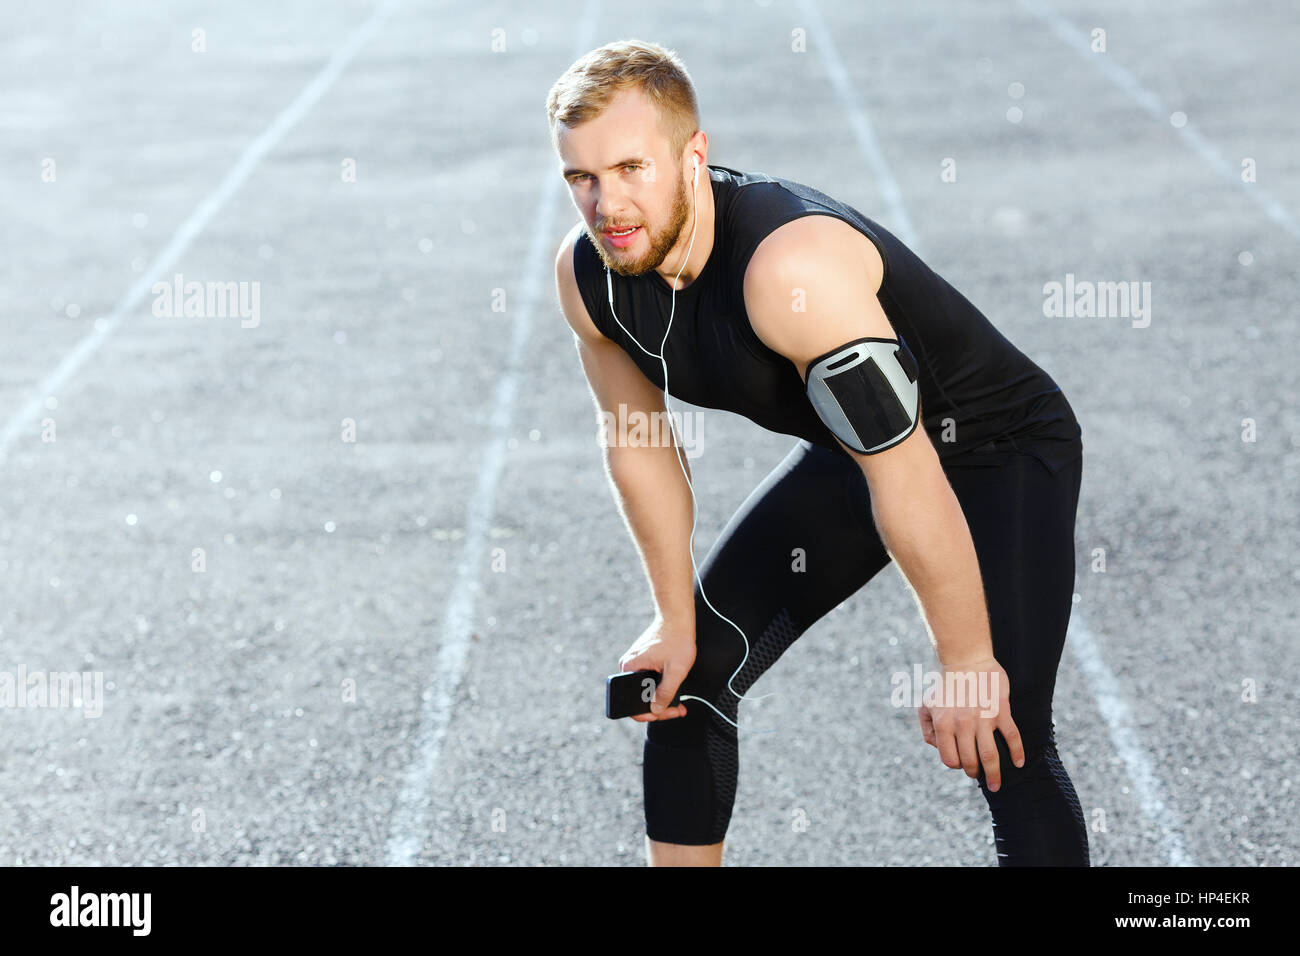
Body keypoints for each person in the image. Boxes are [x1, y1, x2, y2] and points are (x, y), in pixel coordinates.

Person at [547, 39, 1089, 867]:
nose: (607, 204)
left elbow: (907, 472)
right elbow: (641, 446)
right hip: (856, 448)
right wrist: (673, 617)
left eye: (631, 169)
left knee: (1001, 731)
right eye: (582, 178)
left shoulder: (790, 272)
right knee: (685, 687)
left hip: (993, 447)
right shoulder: (590, 279)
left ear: (693, 156)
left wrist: (967, 660)